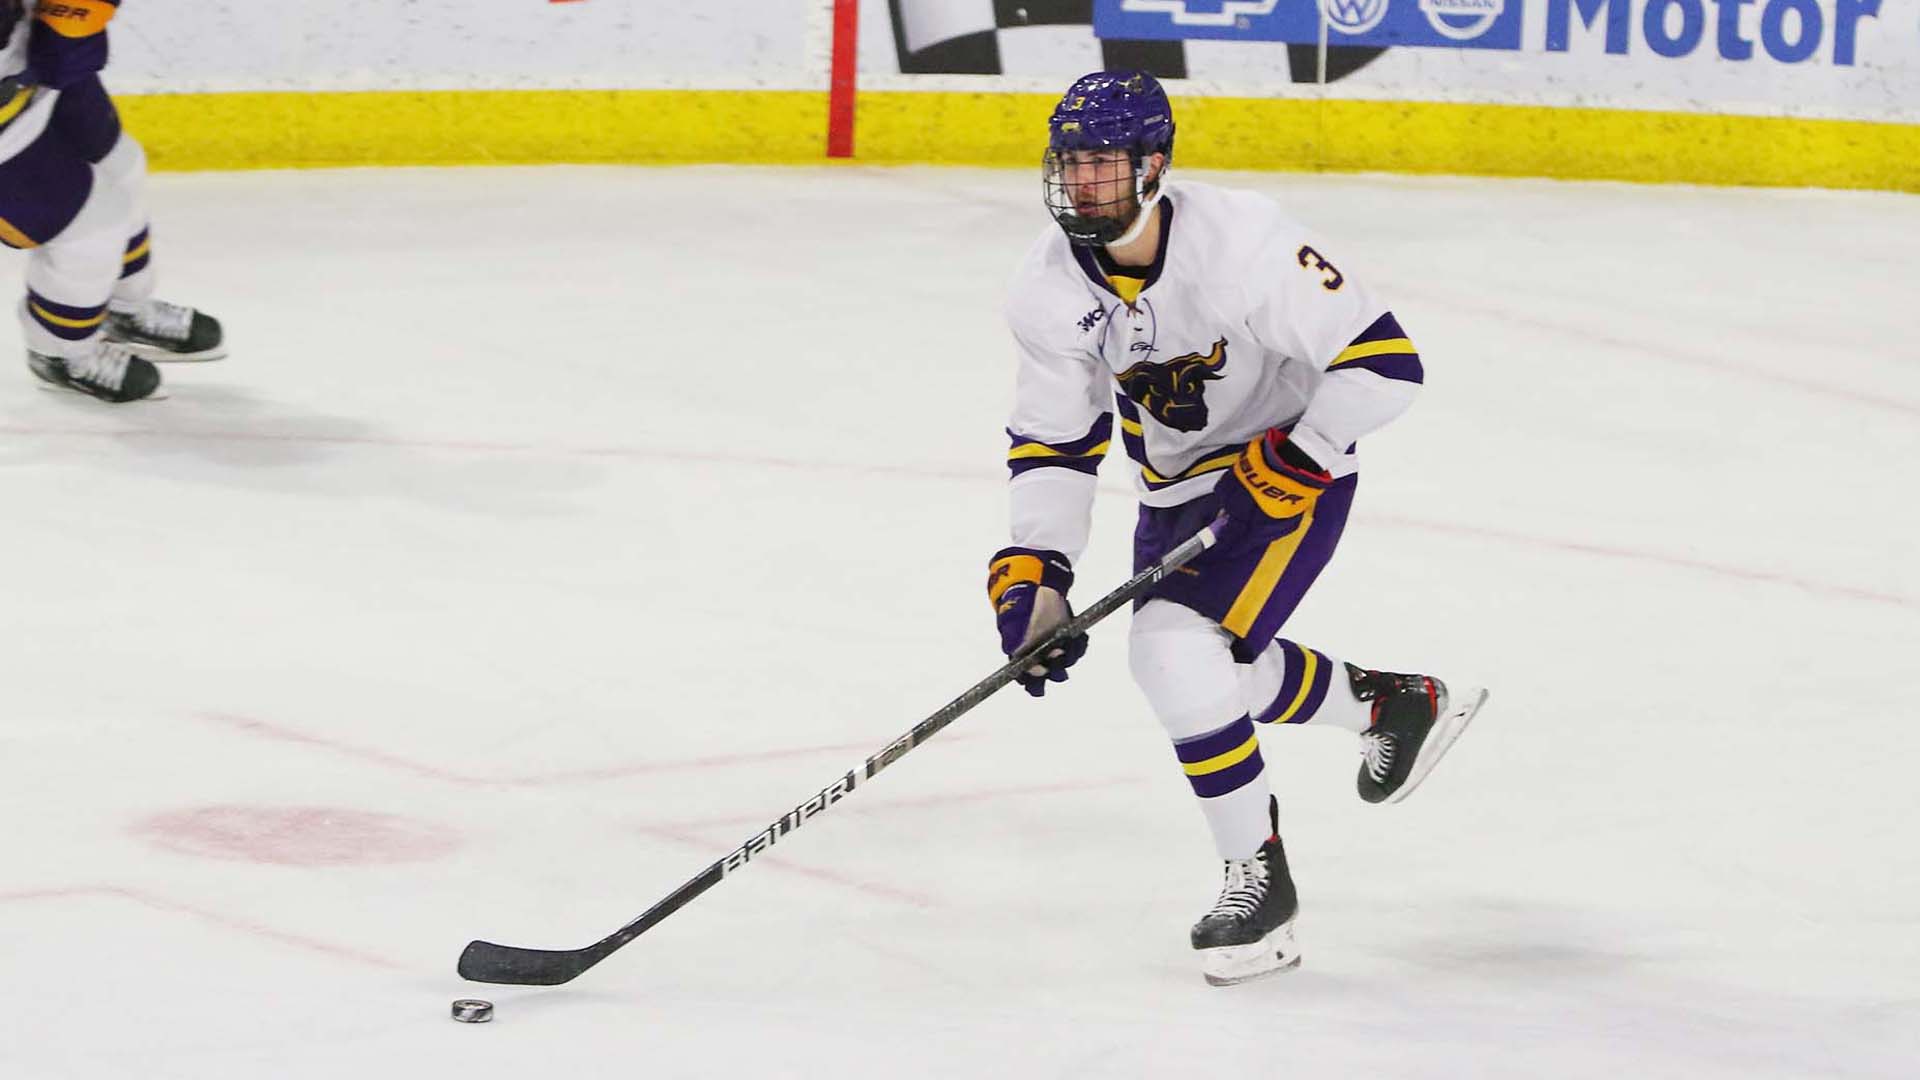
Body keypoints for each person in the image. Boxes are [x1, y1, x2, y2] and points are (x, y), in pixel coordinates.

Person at [986, 70, 1488, 986]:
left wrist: (1301, 457)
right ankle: (1387, 703)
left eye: (1101, 167)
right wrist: (1036, 572)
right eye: (1069, 166)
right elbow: (1056, 443)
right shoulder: (1047, 288)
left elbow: (1386, 364)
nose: (1079, 186)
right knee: (1206, 668)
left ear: (1156, 168)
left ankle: (1260, 888)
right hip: (1177, 483)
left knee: (1171, 654)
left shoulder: (1245, 244)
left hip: (1292, 463)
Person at [0, 0, 224, 404]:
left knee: (123, 167)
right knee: (92, 228)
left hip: (26, 57)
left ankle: (119, 307)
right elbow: (59, 51)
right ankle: (61, 350)